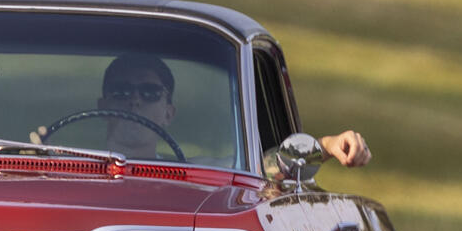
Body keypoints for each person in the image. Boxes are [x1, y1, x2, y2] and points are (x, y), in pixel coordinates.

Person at [96, 53, 372, 168]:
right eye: (121, 91)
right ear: (103, 106)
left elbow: (269, 168)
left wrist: (326, 145)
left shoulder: (198, 174)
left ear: (169, 113)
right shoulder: (67, 165)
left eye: (149, 93)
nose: (134, 101)